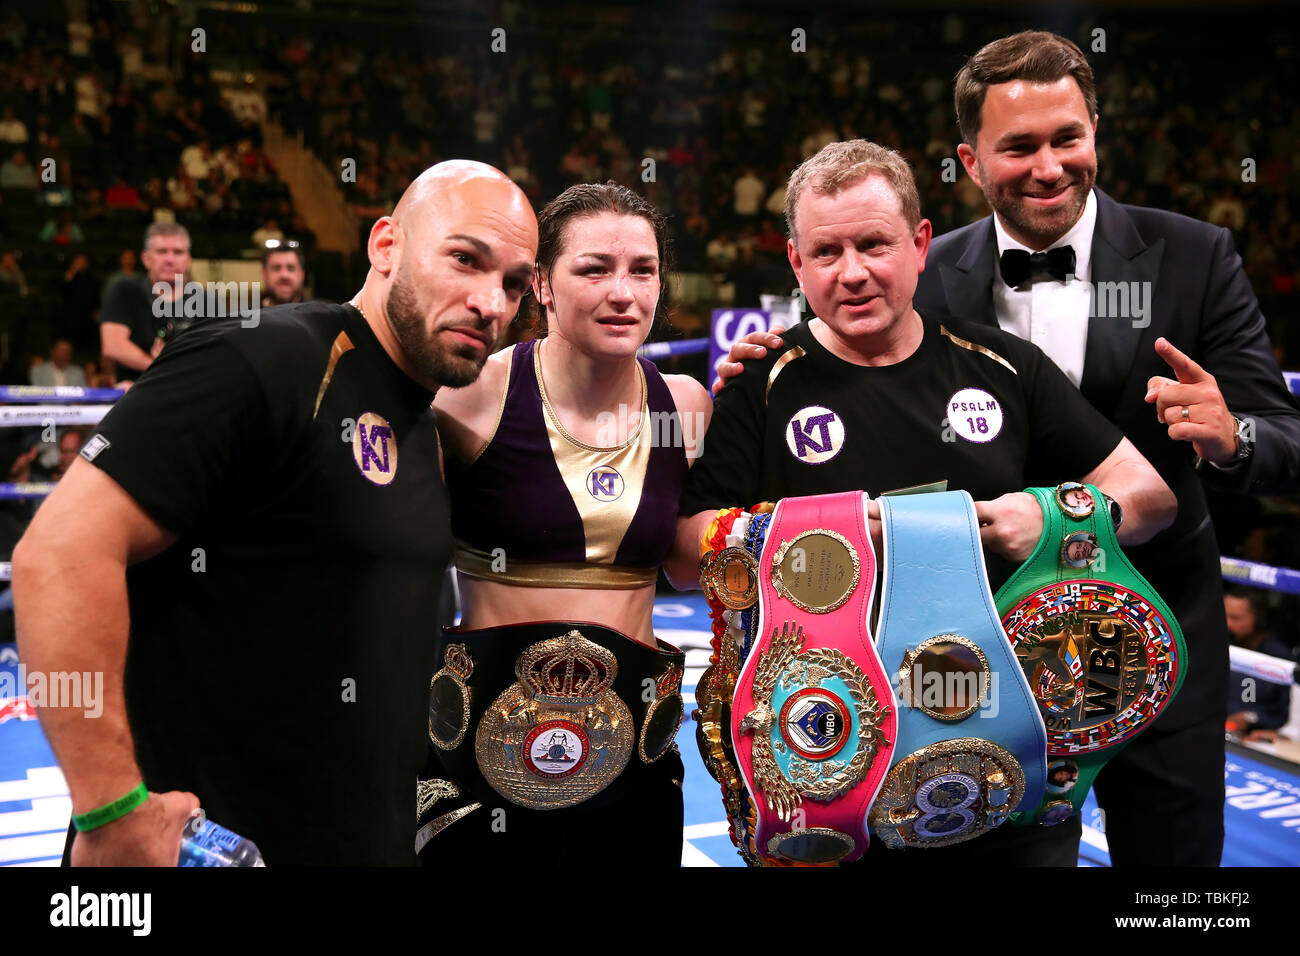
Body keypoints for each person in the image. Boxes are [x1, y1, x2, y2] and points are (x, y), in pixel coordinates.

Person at [716, 32, 1300, 867]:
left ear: (1096, 131)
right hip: (977, 643)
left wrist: (1233, 435)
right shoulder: (925, 265)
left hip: (1148, 628)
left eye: (1069, 137)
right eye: (1019, 146)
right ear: (972, 161)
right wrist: (768, 366)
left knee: (1175, 879)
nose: (1050, 165)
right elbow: (846, 349)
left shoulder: (1194, 256)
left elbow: (1284, 437)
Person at [11, 159, 538, 866]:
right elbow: (57, 555)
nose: (490, 302)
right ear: (387, 247)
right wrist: (111, 811)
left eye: (512, 283)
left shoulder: (424, 420)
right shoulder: (264, 358)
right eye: (465, 259)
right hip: (213, 846)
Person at [671, 138, 1176, 867]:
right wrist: (813, 535)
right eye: (826, 253)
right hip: (827, 757)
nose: (852, 274)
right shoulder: (762, 382)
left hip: (1002, 750)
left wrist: (1053, 515)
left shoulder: (1002, 364)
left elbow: (1150, 498)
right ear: (795, 263)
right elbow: (685, 557)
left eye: (874, 244)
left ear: (919, 243)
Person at [416, 181, 712, 867]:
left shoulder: (689, 406)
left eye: (643, 270)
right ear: (542, 285)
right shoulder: (469, 395)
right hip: (480, 761)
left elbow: (691, 566)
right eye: (594, 269)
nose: (624, 292)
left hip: (636, 759)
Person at [98, 223, 192, 383]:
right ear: (146, 259)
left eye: (178, 252)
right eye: (162, 251)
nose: (170, 259)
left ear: (188, 259)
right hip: (136, 393)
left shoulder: (206, 300)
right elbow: (113, 345)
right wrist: (161, 367)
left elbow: (218, 354)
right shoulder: (125, 291)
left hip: (192, 395)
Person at [1224, 588, 1293, 736]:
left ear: (1258, 617)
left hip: (1256, 742)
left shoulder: (1280, 658)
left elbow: (1286, 717)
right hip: (1209, 731)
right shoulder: (1217, 645)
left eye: (1235, 618)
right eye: (1224, 615)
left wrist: (1250, 718)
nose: (1227, 624)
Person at [260, 240, 307, 307]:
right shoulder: (246, 316)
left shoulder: (321, 314)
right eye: (276, 268)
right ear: (264, 274)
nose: (284, 275)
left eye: (291, 268)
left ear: (302, 274)